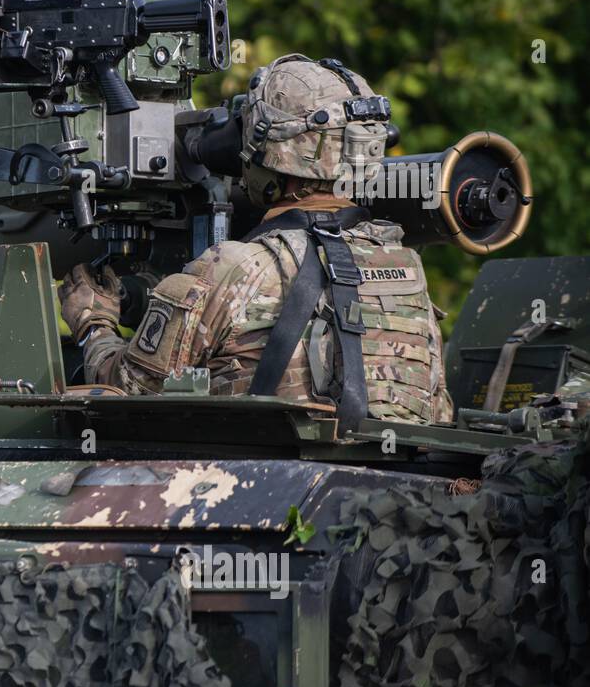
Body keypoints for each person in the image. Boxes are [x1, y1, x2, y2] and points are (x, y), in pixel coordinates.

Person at [59, 54, 454, 432]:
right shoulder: (407, 270)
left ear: (270, 150)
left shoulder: (233, 266)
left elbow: (130, 390)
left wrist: (93, 323)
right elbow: (438, 410)